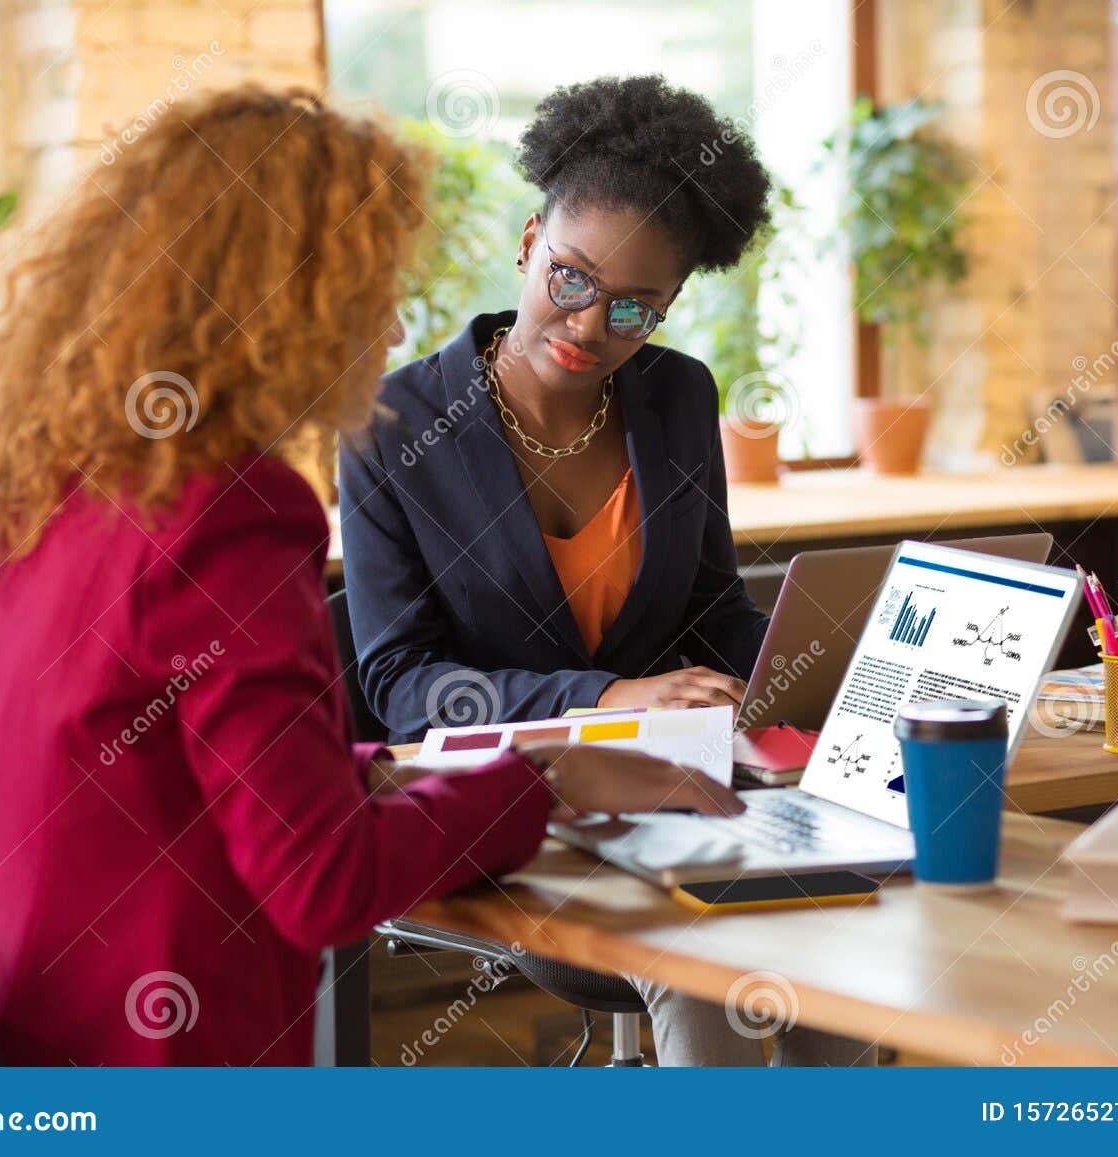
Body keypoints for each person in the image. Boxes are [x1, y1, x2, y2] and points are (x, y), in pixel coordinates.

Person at [0, 86, 739, 1067]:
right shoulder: (234, 512)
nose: (390, 331)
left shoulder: (50, 474)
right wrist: (544, 775)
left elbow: (190, 780)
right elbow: (323, 876)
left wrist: (409, 770)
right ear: (287, 302)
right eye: (368, 292)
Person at [340, 75, 872, 1066]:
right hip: (503, 805)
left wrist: (818, 660)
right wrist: (610, 698)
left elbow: (711, 607)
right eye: (571, 279)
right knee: (698, 952)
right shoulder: (393, 425)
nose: (589, 328)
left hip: (673, 797)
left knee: (839, 914)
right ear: (529, 242)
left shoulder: (675, 396)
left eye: (633, 307)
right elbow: (402, 685)